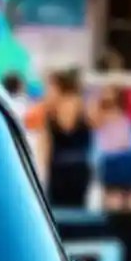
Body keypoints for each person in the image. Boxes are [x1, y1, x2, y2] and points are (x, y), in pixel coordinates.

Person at [38, 68, 93, 210]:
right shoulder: (82, 105)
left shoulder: (56, 109)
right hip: (75, 166)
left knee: (61, 215)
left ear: (59, 87)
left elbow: (47, 145)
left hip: (63, 168)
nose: (47, 92)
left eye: (50, 87)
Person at [94, 86, 131, 210]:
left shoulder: (127, 112)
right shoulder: (100, 114)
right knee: (114, 203)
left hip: (128, 158)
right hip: (112, 160)